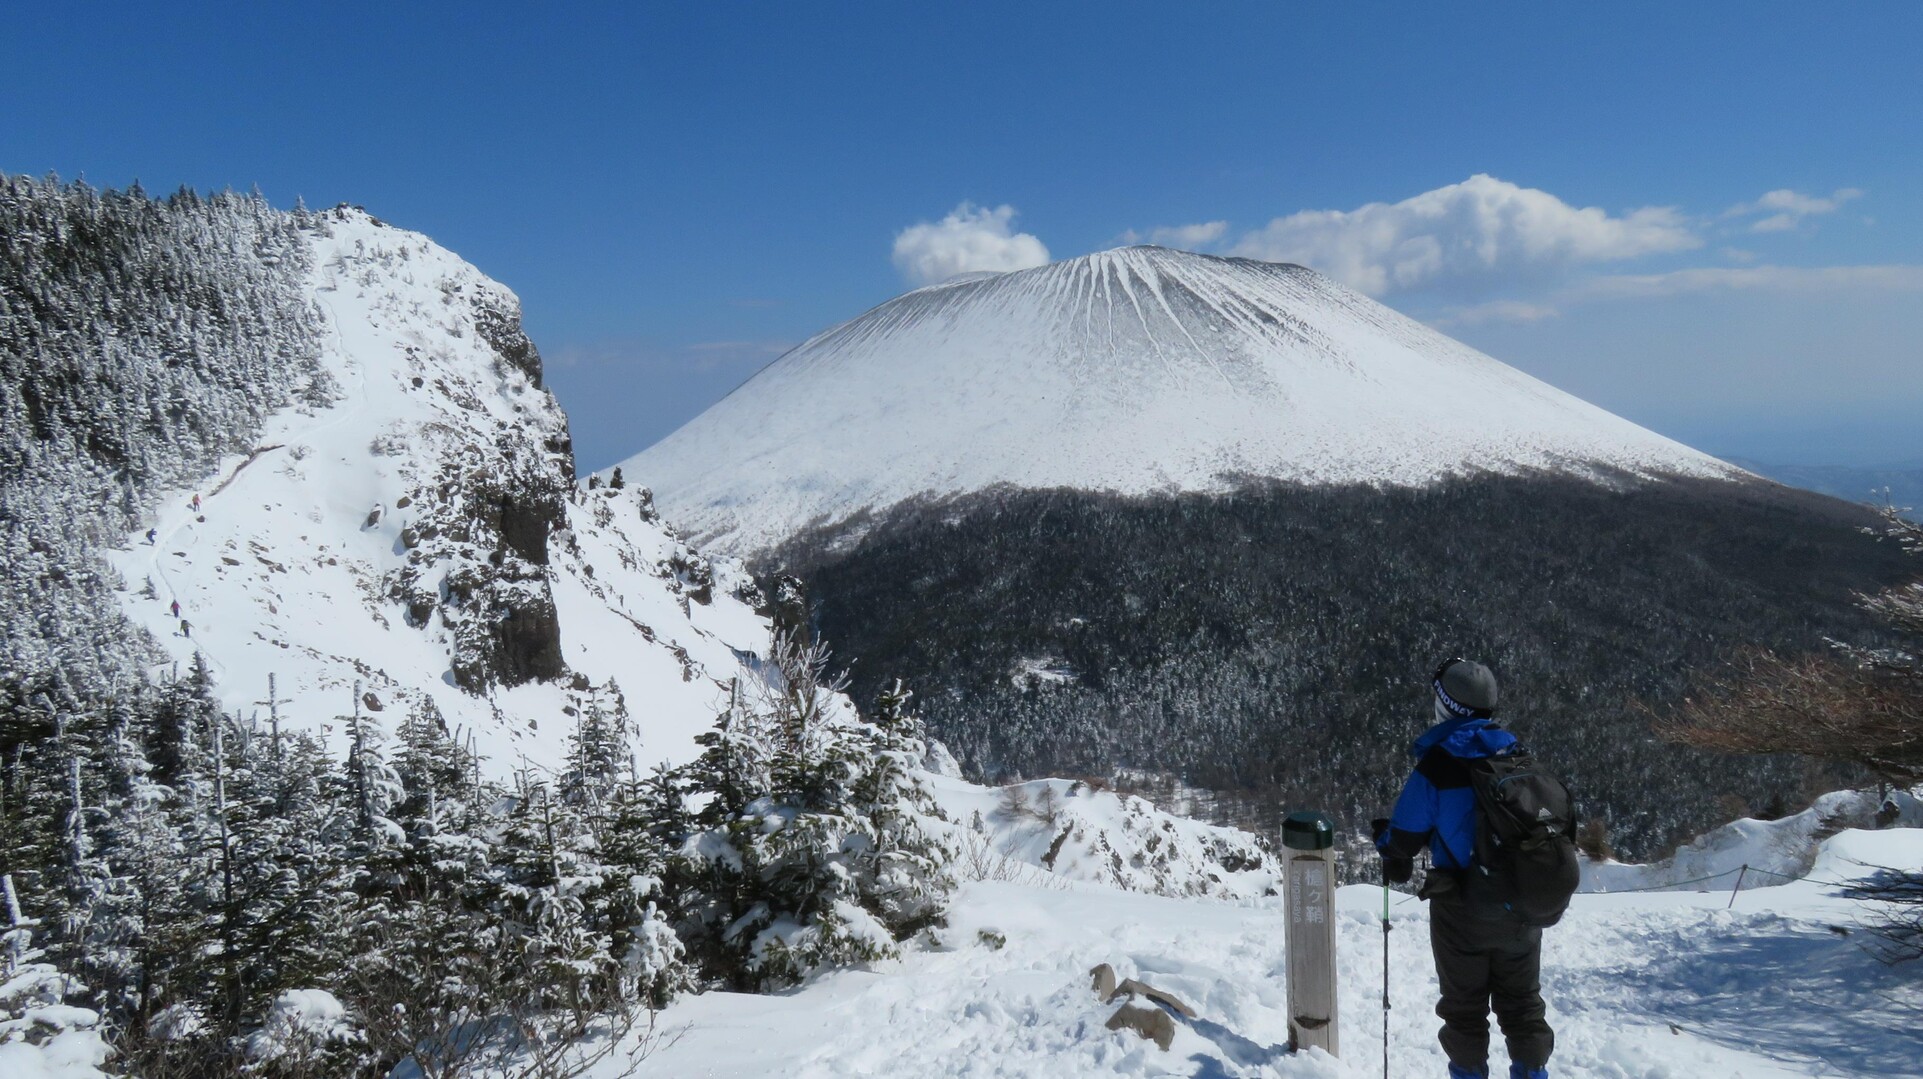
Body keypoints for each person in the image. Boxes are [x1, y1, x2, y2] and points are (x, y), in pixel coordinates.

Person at [1375, 658, 1553, 1079]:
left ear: (1446, 707)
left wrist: (1383, 840)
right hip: (1521, 905)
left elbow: (1402, 839)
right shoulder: (1518, 756)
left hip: (1461, 908)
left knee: (1464, 1010)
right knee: (1523, 1005)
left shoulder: (1438, 766)